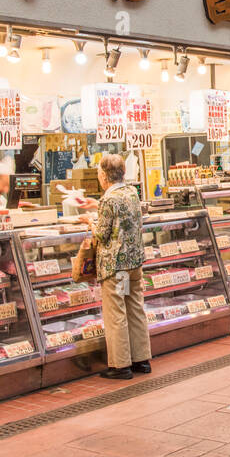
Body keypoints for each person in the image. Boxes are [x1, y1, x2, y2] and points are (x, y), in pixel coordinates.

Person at [80, 154, 151, 380]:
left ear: (104, 175)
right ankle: (142, 360)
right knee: (135, 308)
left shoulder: (108, 200)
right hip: (134, 264)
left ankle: (121, 366)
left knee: (117, 313)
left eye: (99, 173)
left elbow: (101, 233)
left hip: (117, 266)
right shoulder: (131, 192)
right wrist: (96, 205)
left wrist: (90, 221)